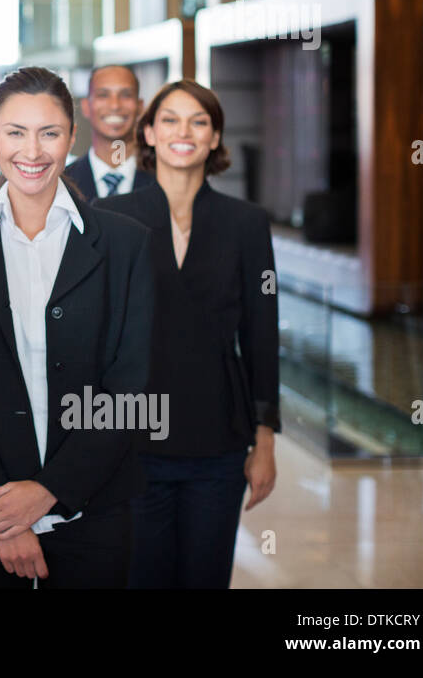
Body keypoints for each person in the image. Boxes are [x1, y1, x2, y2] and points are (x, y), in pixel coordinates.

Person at [0, 67, 155, 588]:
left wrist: (50, 489)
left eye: (49, 133)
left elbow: (129, 386)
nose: (31, 151)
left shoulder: (126, 245)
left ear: (72, 136)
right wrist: (4, 514)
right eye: (15, 132)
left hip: (91, 510)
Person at [97, 79, 279, 589]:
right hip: (132, 443)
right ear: (149, 133)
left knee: (204, 577)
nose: (184, 132)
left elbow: (261, 334)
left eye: (199, 121)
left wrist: (264, 441)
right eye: (170, 120)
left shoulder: (245, 222)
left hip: (217, 441)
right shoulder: (112, 217)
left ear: (215, 137)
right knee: (140, 578)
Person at [65, 64, 156, 199]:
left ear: (140, 106)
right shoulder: (63, 183)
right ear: (86, 106)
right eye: (103, 95)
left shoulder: (162, 177)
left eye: (126, 95)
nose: (115, 105)